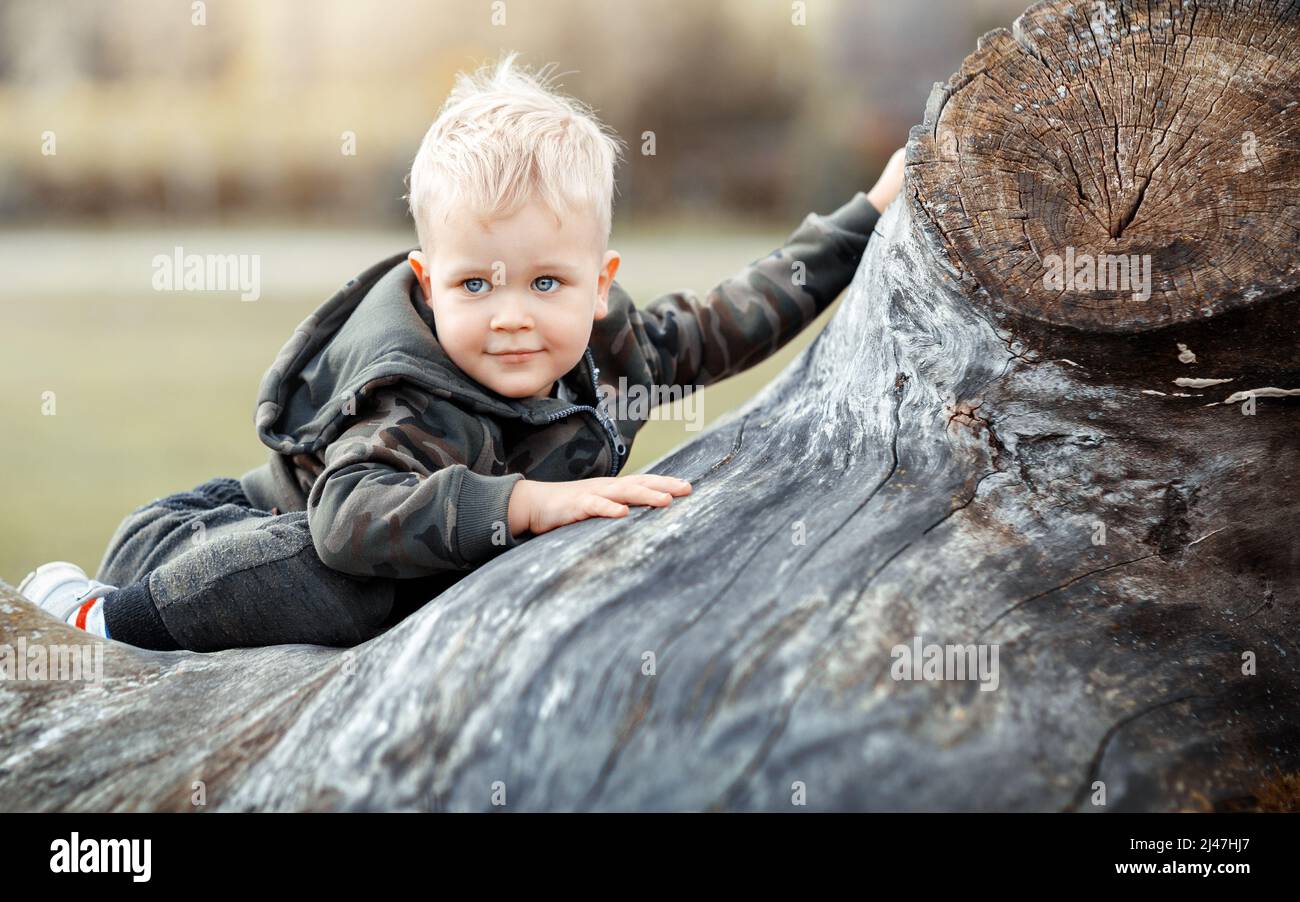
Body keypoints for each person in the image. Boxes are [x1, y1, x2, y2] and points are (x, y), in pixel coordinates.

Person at [19, 52, 905, 651]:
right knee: (358, 585)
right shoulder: (410, 396)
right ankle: (99, 616)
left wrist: (864, 218)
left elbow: (724, 319)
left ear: (601, 283)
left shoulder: (610, 349)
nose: (512, 317)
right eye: (475, 285)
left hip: (256, 536)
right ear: (428, 280)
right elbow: (348, 516)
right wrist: (520, 503)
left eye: (546, 284)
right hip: (208, 542)